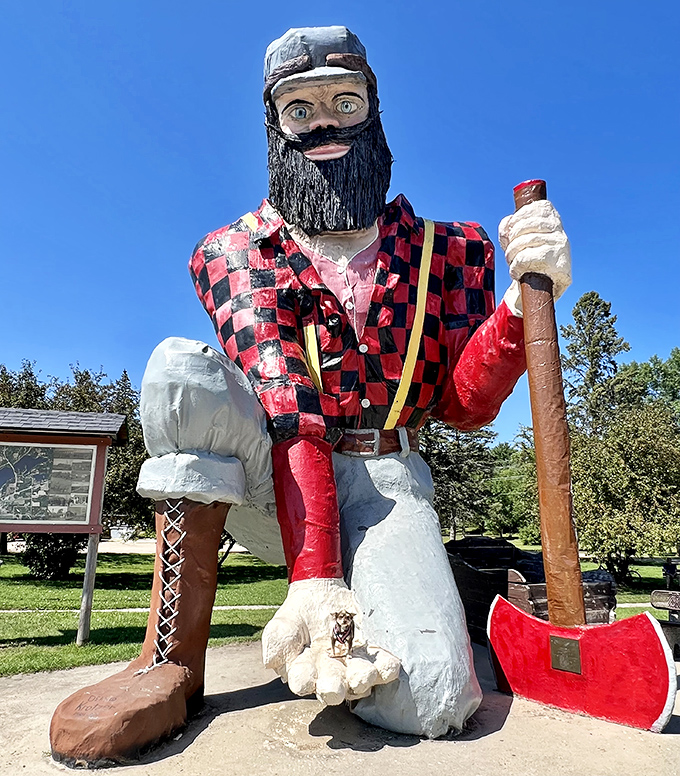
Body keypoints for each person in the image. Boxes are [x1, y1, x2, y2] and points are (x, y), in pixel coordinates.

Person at [50, 25, 571, 765]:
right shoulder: (232, 250)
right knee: (179, 371)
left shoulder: (453, 251)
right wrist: (316, 578)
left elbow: (464, 406)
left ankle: (415, 599)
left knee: (431, 702)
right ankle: (168, 659)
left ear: (375, 113)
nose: (324, 123)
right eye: (300, 108)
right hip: (274, 481)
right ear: (274, 123)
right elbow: (290, 405)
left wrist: (521, 306)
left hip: (389, 482)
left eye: (344, 100)